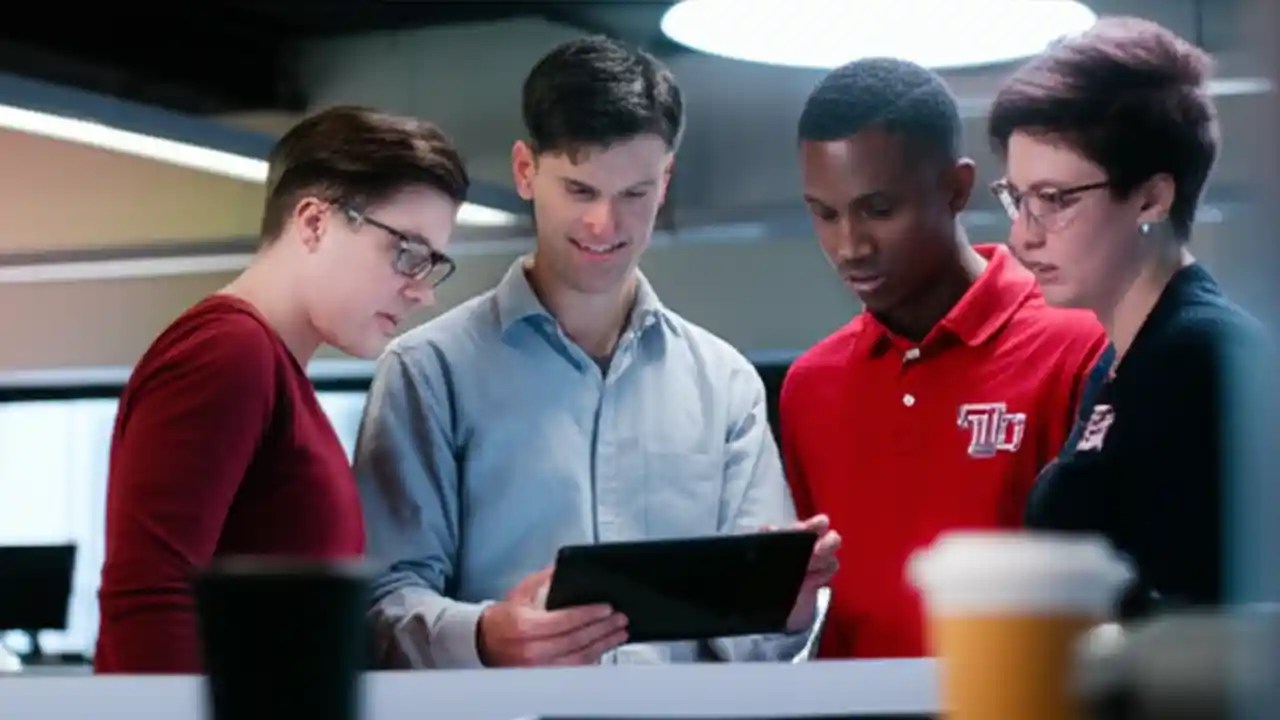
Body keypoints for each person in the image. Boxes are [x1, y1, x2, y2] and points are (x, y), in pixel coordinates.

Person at [353, 35, 840, 669]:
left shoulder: (726, 385)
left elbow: (758, 645)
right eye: (580, 191)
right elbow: (379, 605)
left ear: (665, 180)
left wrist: (786, 607)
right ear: (526, 171)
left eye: (634, 194)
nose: (605, 225)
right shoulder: (428, 373)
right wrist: (485, 636)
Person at [94, 106, 470, 673]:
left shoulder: (272, 369)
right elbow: (151, 598)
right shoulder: (227, 352)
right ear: (314, 222)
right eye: (407, 254)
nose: (422, 292)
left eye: (431, 265)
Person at [780, 58, 1109, 659]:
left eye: (878, 210)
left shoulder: (1078, 345)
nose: (849, 245)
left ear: (957, 189)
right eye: (825, 214)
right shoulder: (810, 386)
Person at [988, 16, 1267, 617]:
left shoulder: (1204, 356)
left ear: (1151, 197)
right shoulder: (1121, 359)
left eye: (1054, 201)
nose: (1021, 235)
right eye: (1016, 198)